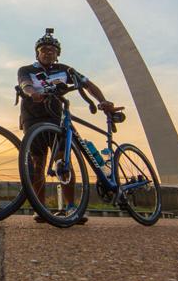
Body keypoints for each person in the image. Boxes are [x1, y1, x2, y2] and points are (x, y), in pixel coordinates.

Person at [19, 28, 121, 224]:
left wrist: (103, 101)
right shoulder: (26, 70)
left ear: (58, 54)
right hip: (32, 118)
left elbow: (87, 84)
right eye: (44, 49)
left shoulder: (65, 69)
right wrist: (32, 92)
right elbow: (24, 84)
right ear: (37, 52)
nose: (48, 52)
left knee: (62, 161)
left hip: (57, 117)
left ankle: (71, 206)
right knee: (37, 163)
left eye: (52, 50)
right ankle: (40, 208)